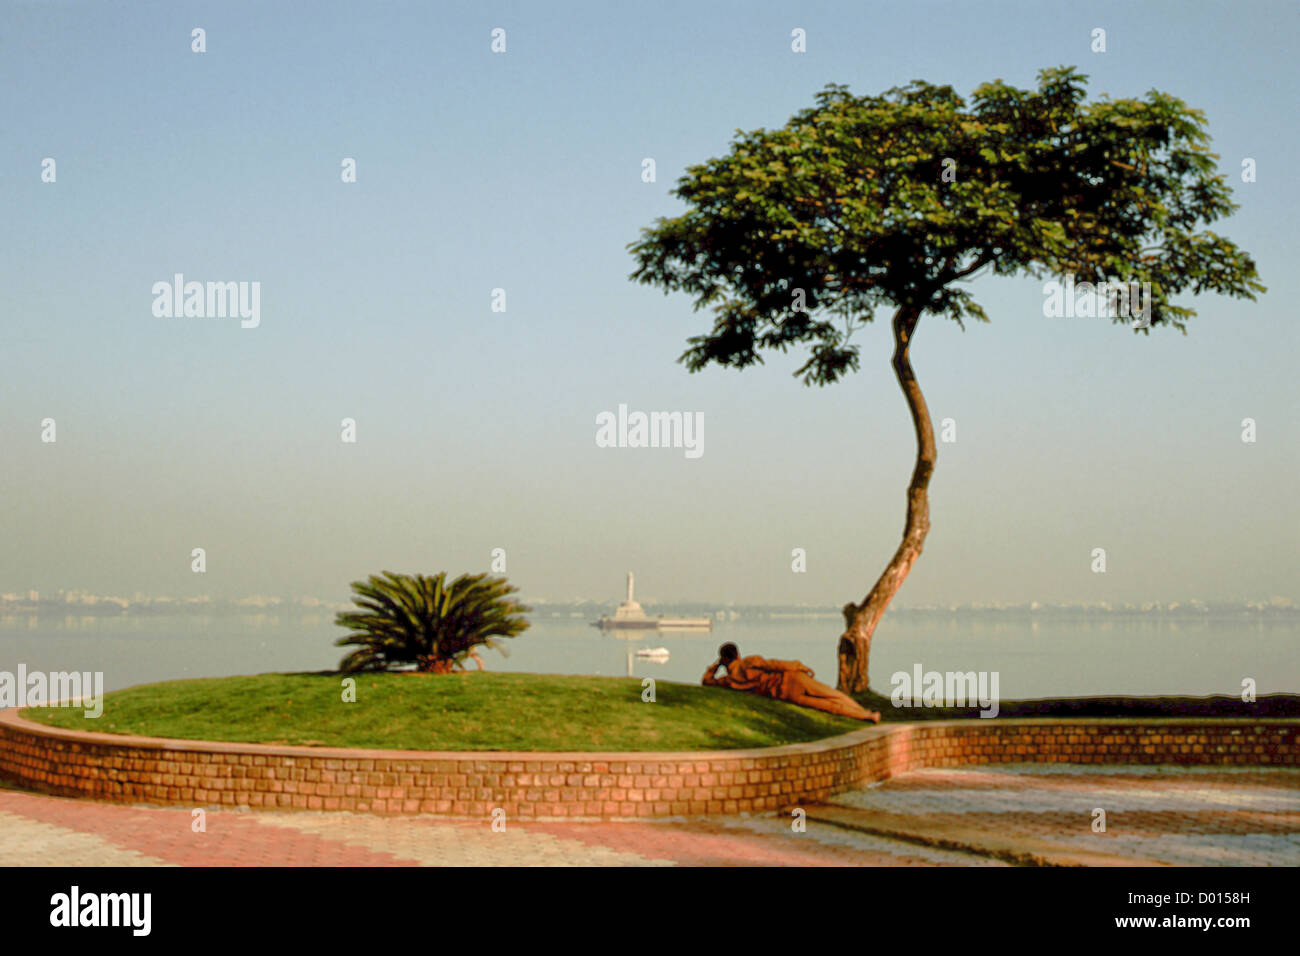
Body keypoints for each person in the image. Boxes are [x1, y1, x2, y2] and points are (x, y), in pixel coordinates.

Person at [702, 643, 881, 722]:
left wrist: (715, 666)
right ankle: (864, 712)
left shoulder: (729, 681)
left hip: (786, 694)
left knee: (828, 706)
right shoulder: (749, 661)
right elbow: (774, 664)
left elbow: (707, 682)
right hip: (791, 678)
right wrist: (799, 666)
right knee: (833, 695)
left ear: (724, 659)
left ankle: (866, 716)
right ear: (738, 654)